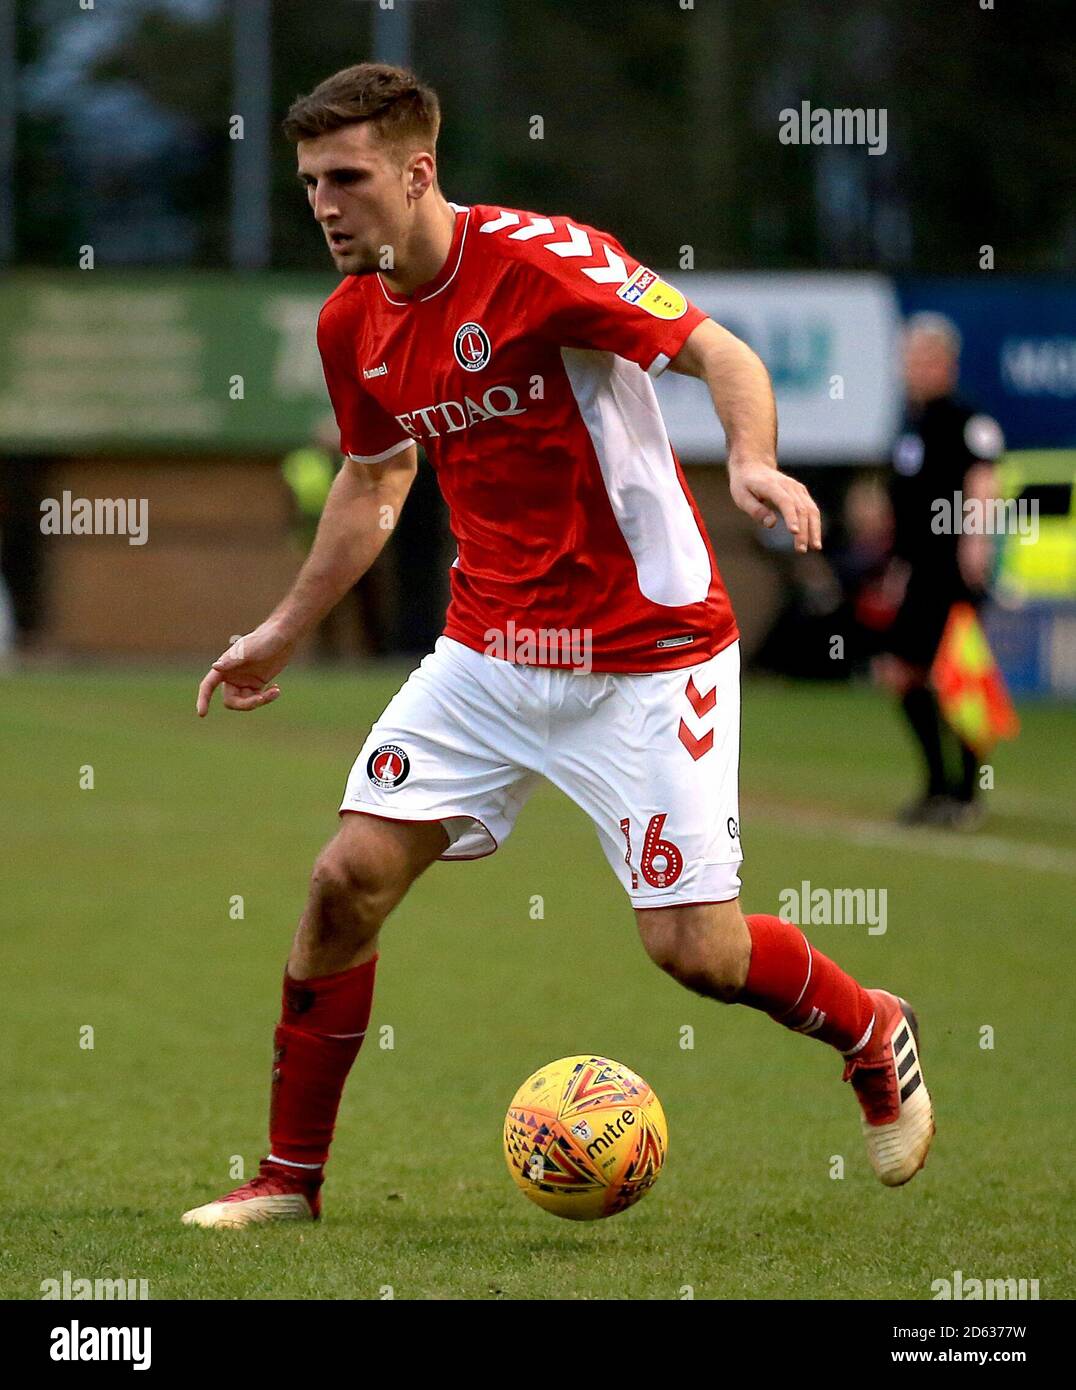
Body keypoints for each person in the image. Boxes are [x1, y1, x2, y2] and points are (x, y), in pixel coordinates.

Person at [184, 64, 934, 1228]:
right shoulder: (353, 321)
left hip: (648, 652)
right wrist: (281, 633)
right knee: (343, 883)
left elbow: (719, 353)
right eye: (308, 183)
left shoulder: (540, 262)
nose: (325, 205)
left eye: (348, 178)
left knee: (694, 951)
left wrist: (747, 461)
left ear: (417, 171)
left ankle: (868, 1027)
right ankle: (289, 1180)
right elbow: (377, 477)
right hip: (487, 651)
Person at [875, 314, 1004, 828]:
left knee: (958, 679)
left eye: (921, 359)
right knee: (900, 673)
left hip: (952, 569)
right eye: (907, 359)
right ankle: (934, 786)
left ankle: (966, 794)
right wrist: (898, 564)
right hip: (918, 570)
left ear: (944, 361)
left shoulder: (967, 419)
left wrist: (976, 541)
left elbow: (983, 480)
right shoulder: (911, 423)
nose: (912, 369)